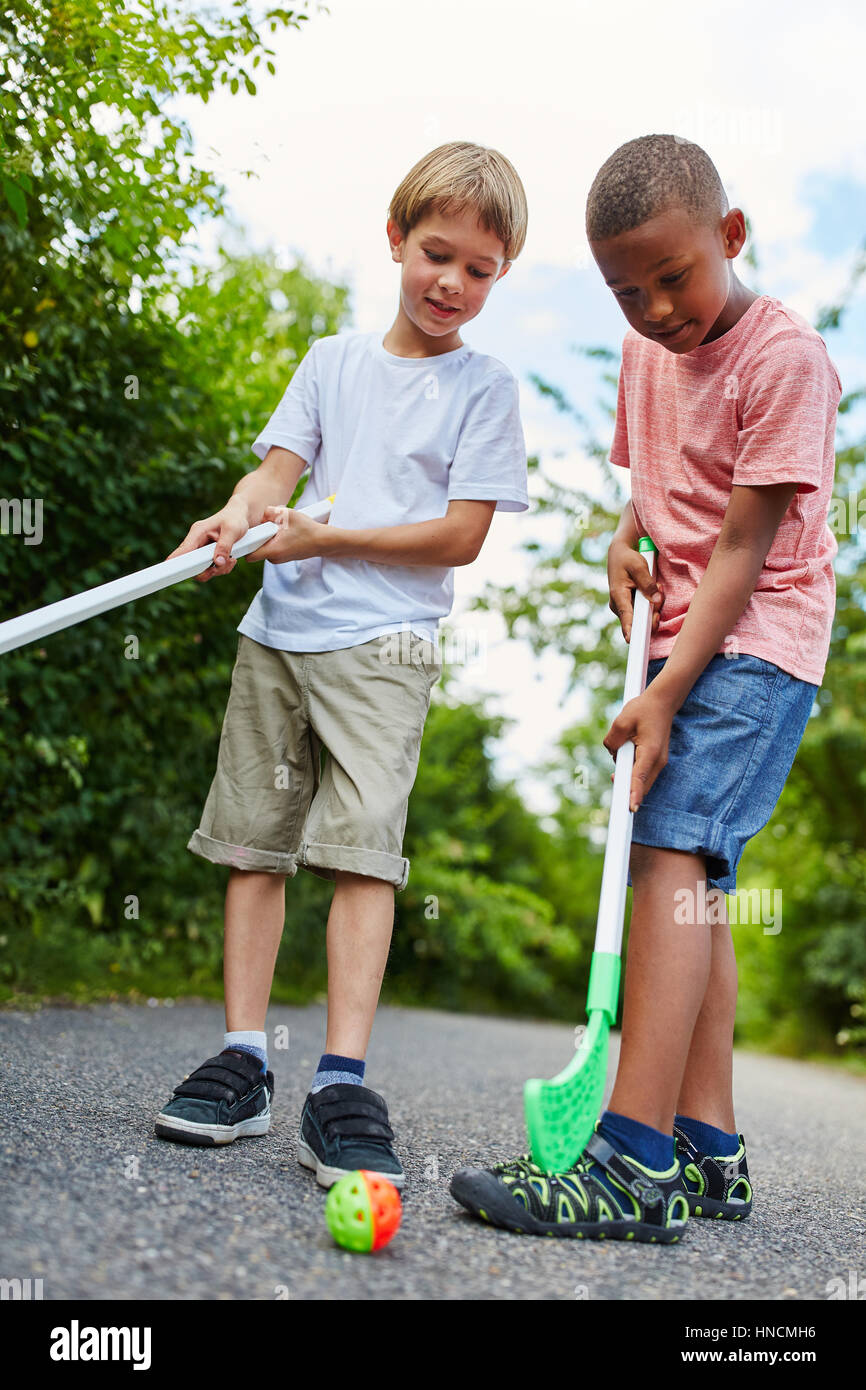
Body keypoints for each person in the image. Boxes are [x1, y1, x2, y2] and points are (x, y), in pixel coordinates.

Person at [450, 133, 841, 1242]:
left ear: (730, 237)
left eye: (673, 277)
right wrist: (618, 543)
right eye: (628, 292)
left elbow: (737, 549)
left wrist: (664, 691)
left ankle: (631, 1160)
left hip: (755, 641)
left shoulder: (783, 362)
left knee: (667, 854)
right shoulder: (642, 355)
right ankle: (706, 1146)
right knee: (696, 871)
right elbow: (653, 492)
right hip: (680, 632)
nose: (656, 309)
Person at [152, 141, 529, 1188]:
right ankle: (240, 1061)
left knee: (362, 849)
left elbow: (459, 537)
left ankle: (338, 1082)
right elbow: (274, 473)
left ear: (499, 276)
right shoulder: (330, 362)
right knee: (251, 844)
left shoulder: (484, 389)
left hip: (384, 645)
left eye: (477, 269)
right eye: (434, 253)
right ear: (395, 240)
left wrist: (331, 538)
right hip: (278, 633)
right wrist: (231, 518)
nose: (449, 282)